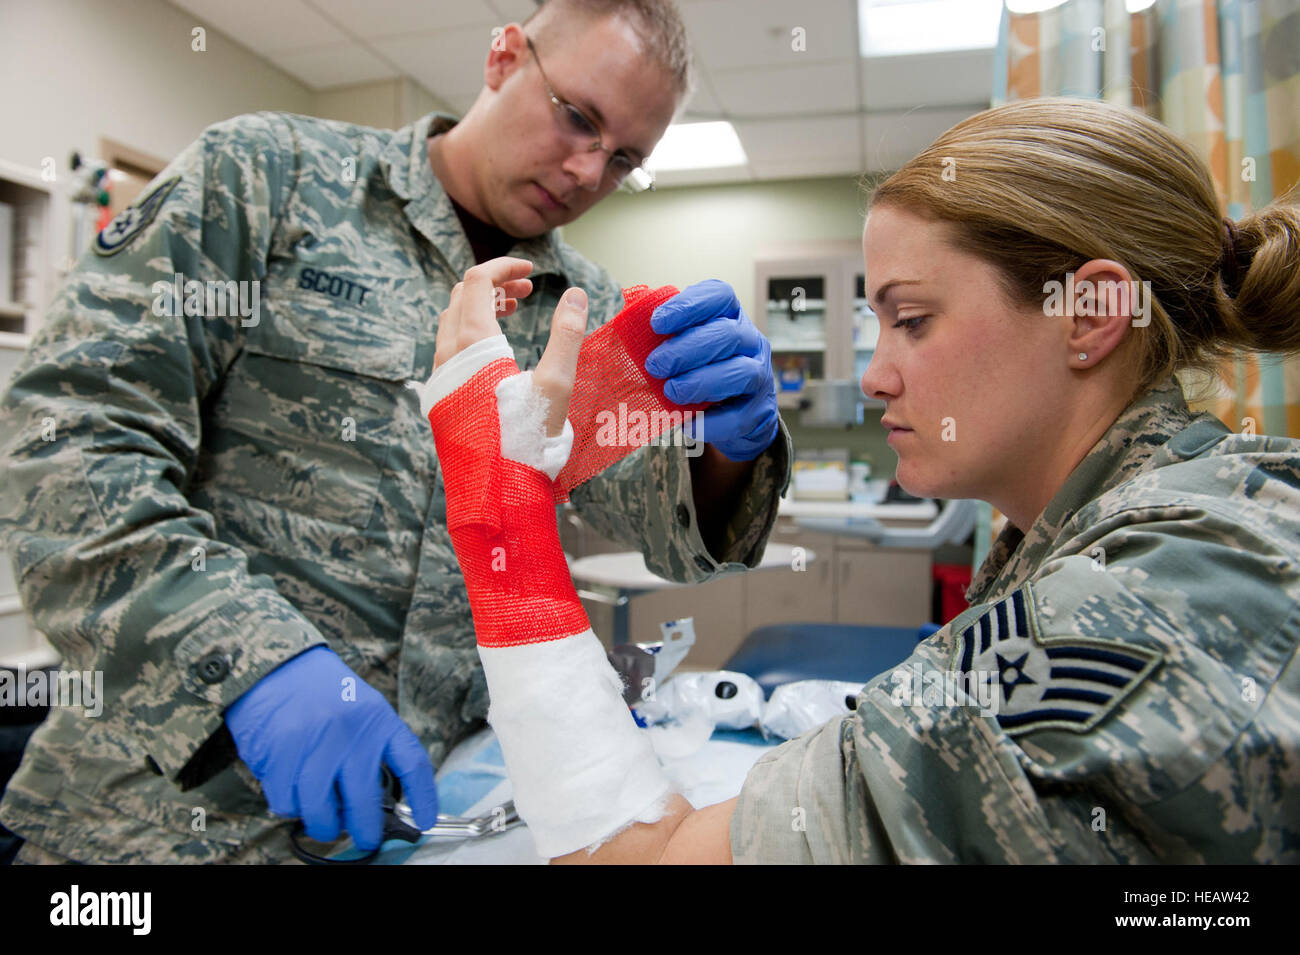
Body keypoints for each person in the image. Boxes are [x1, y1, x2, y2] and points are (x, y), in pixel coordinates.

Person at [0, 0, 789, 864]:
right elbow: (65, 434)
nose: (587, 170)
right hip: (150, 825)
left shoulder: (577, 310)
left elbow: (657, 517)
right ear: (503, 56)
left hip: (421, 819)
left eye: (624, 159)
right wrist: (254, 662)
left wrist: (724, 451)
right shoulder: (269, 179)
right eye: (579, 119)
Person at [426, 96, 1300, 864]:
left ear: (1094, 313)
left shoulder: (1132, 598)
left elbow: (626, 859)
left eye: (913, 320)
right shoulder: (1134, 527)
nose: (876, 376)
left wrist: (495, 503)